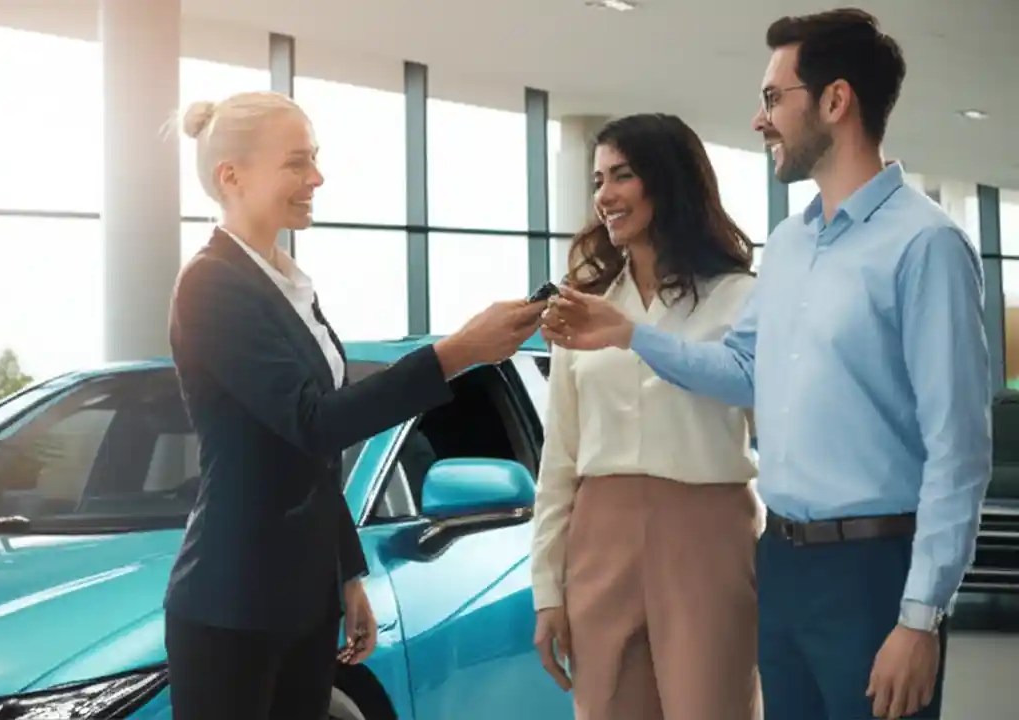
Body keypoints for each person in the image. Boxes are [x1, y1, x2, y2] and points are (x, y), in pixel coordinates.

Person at [543, 10, 991, 720]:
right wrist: (632, 336)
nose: (760, 119)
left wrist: (921, 615)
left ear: (835, 101)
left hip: (873, 568)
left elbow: (958, 449)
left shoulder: (925, 245)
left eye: (774, 98)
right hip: (781, 561)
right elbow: (743, 371)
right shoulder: (788, 245)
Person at [163, 90, 545, 720]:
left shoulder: (284, 282)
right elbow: (314, 423)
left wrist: (345, 573)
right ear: (232, 176)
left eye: (314, 159)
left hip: (301, 599)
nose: (316, 178)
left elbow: (308, 462)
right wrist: (456, 353)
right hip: (234, 602)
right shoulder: (211, 284)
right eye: (296, 162)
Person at [530, 113, 761, 720]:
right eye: (598, 179)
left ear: (669, 180)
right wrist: (546, 588)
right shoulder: (584, 305)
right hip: (599, 537)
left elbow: (775, 425)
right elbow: (560, 455)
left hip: (708, 535)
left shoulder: (739, 297)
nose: (604, 195)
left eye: (622, 175)